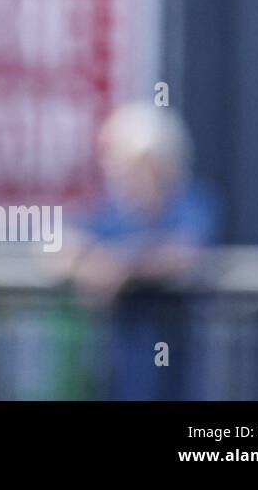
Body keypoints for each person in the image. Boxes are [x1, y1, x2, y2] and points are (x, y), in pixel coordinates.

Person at [60, 101, 220, 400]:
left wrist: (120, 267)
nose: (116, 170)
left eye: (125, 161)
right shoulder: (112, 211)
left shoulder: (191, 202)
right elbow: (57, 242)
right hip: (117, 371)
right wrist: (87, 264)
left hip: (174, 375)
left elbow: (183, 253)